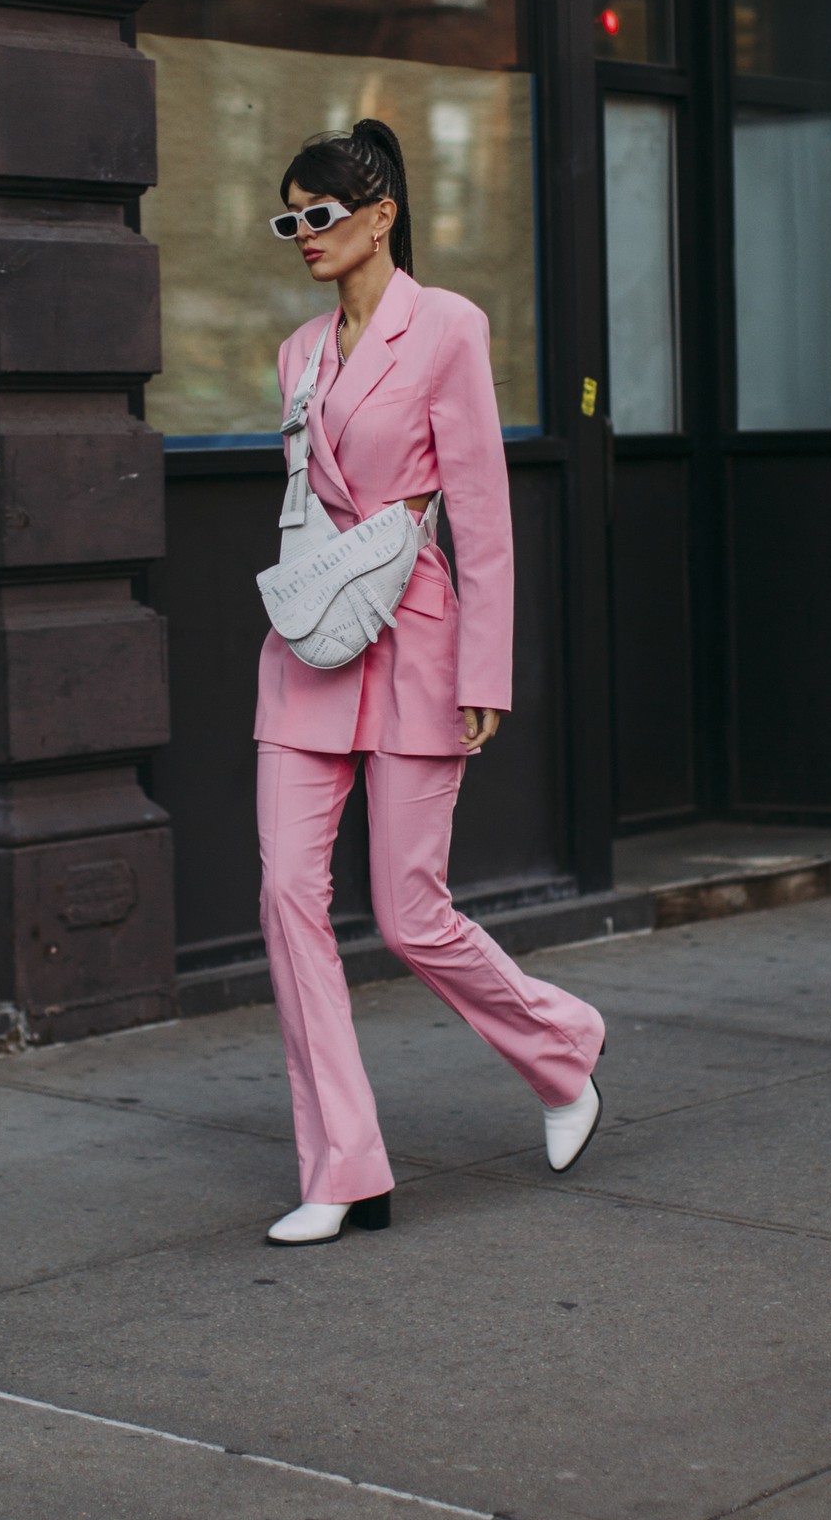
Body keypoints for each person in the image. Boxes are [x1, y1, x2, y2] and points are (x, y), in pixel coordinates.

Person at [256, 118, 606, 1246]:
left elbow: (484, 510)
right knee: (286, 898)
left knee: (410, 914)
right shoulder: (296, 354)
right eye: (290, 220)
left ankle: (561, 1050)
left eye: (320, 215)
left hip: (413, 640)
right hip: (311, 648)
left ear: (379, 214)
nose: (304, 236)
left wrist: (484, 667)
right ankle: (344, 1167)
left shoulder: (447, 326)